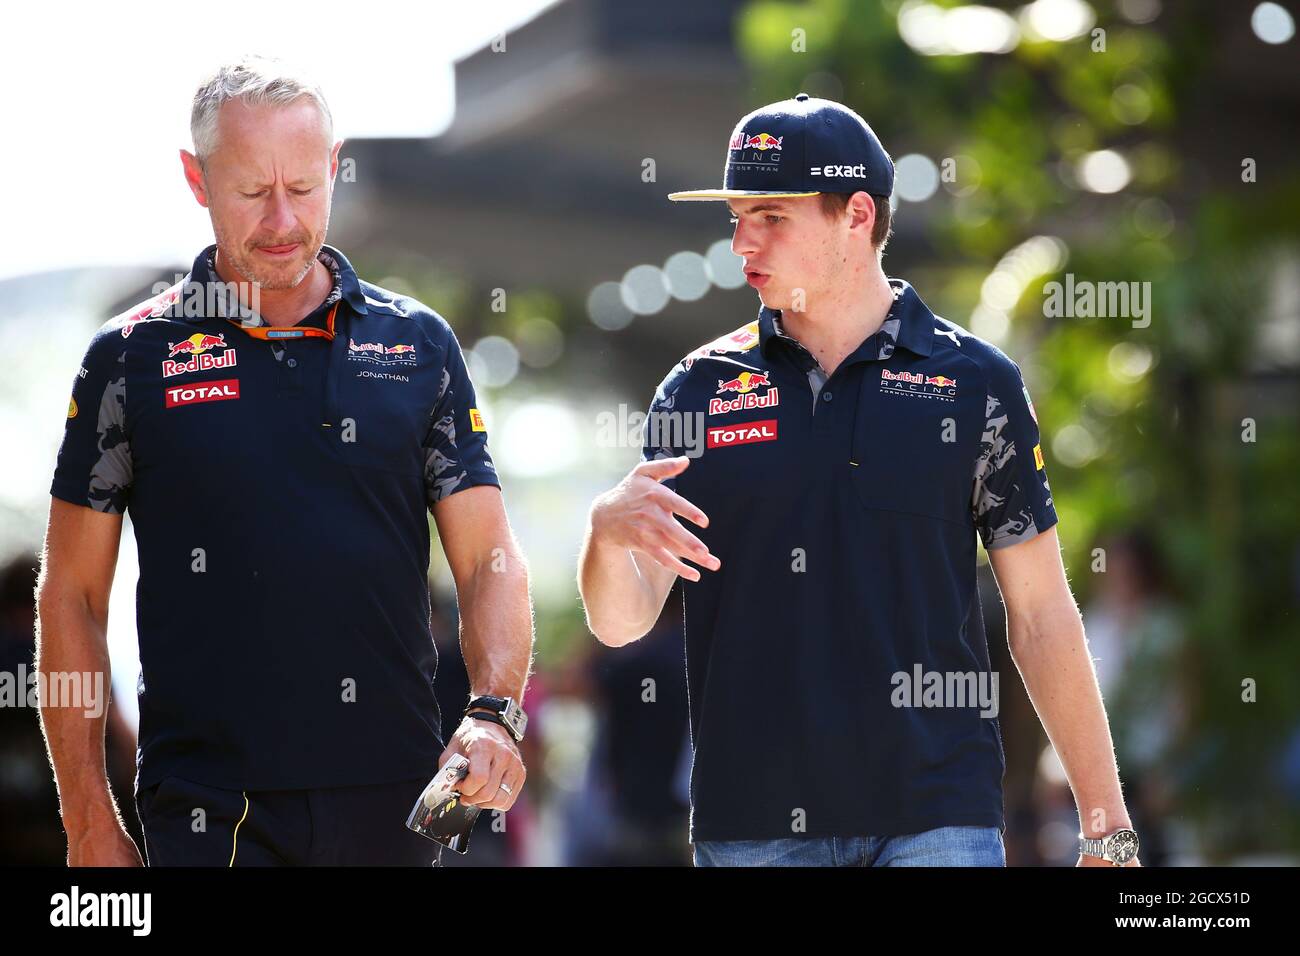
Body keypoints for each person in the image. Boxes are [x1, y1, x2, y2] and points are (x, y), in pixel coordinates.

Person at [577, 94, 1140, 867]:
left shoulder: (975, 382)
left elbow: (1041, 614)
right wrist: (606, 533)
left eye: (770, 215)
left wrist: (1105, 822)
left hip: (937, 820)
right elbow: (622, 621)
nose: (742, 242)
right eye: (736, 215)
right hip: (754, 827)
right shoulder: (696, 389)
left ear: (858, 216)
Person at [36, 56, 533, 867]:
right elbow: (72, 596)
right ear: (196, 180)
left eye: (303, 189)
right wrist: (89, 819)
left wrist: (492, 710)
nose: (281, 220)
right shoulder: (129, 359)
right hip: (204, 805)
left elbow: (489, 559)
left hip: (394, 799)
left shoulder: (416, 346)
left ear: (334, 169)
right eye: (250, 191)